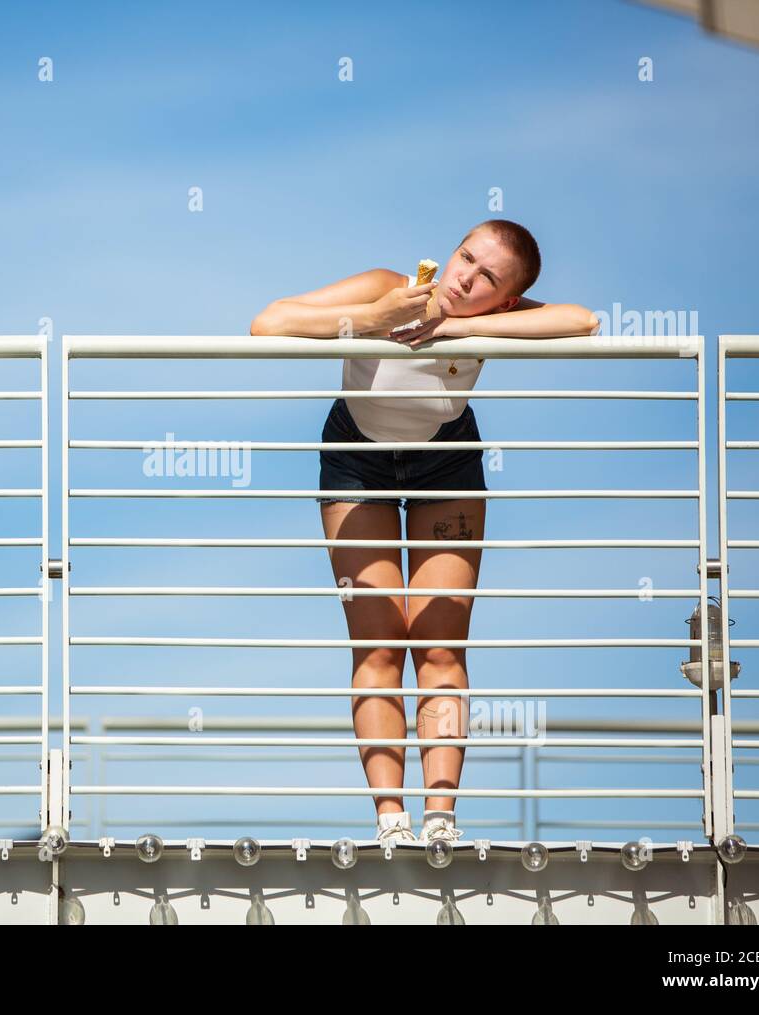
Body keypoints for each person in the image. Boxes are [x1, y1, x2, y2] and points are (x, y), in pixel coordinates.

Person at [249, 219, 599, 848]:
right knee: (379, 645)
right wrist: (376, 316)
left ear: (508, 299)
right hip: (357, 457)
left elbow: (582, 320)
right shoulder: (391, 285)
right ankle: (391, 820)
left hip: (447, 459)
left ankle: (440, 820)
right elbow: (267, 323)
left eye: (486, 277)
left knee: (439, 647)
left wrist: (463, 328)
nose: (464, 277)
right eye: (465, 257)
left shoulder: (488, 320)